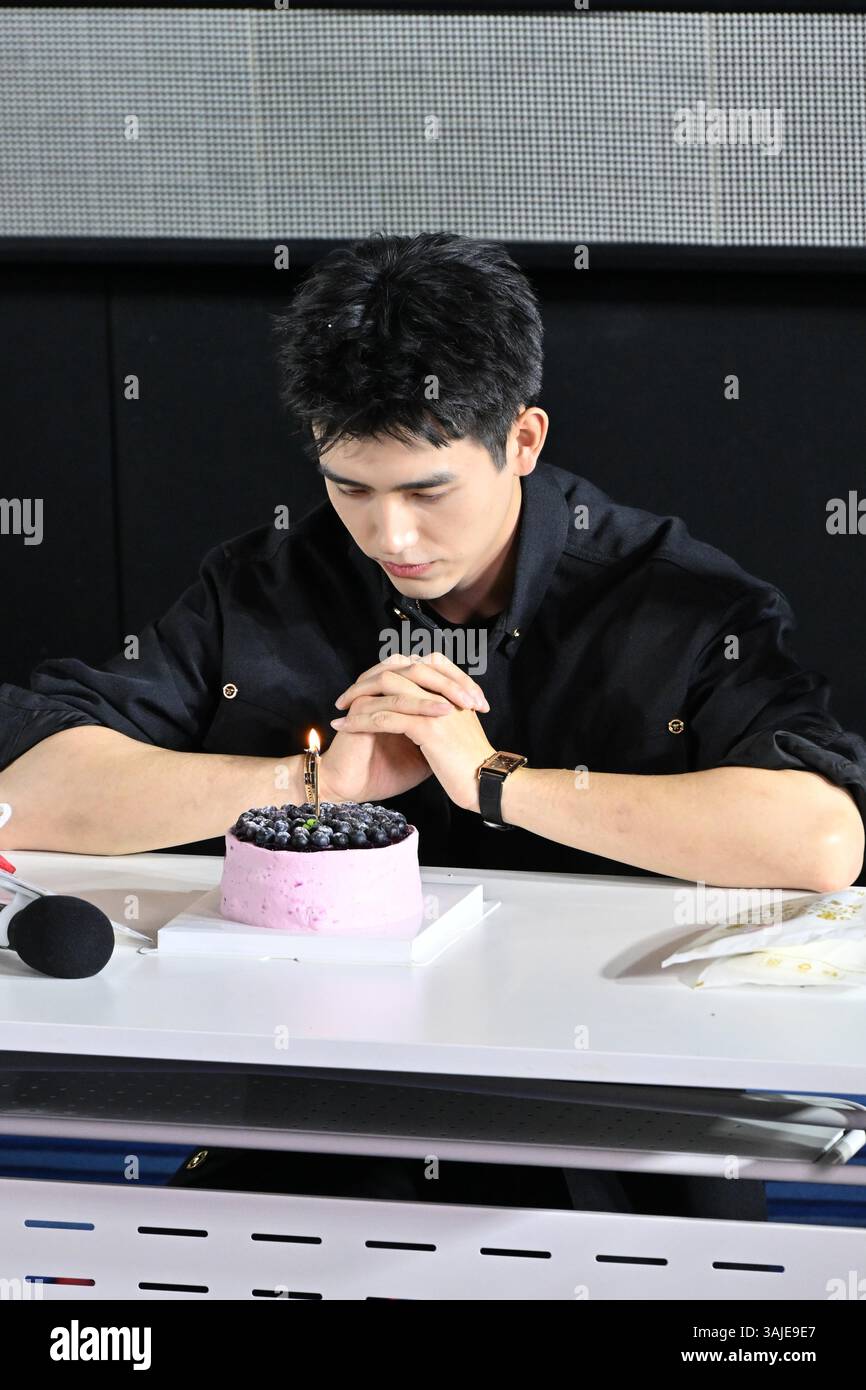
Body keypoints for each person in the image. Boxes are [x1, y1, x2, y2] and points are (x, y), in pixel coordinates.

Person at [2, 231, 865, 1221]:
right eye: (350, 488)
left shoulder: (674, 600)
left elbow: (819, 837)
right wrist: (311, 786)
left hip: (615, 1126)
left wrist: (496, 779)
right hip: (326, 1107)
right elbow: (26, 789)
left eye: (426, 490)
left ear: (523, 441)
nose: (390, 538)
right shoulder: (267, 581)